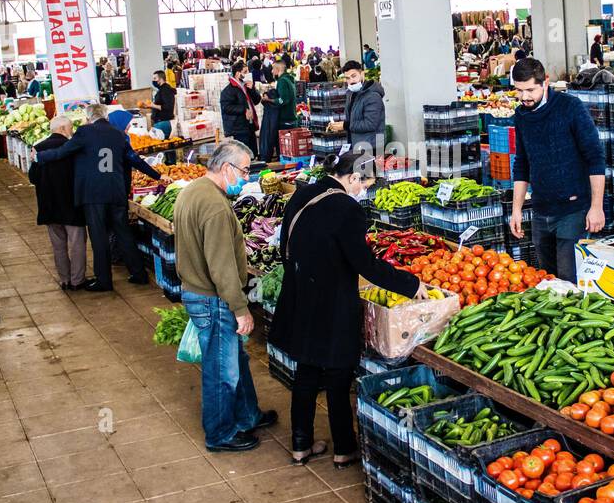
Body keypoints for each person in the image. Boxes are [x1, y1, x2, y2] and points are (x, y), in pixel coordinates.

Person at [270, 151, 424, 465]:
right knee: (339, 375)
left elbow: (284, 242)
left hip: (301, 294)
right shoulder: (347, 209)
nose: (362, 192)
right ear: (353, 177)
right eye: (363, 185)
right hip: (334, 301)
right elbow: (364, 264)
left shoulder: (303, 194)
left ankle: (301, 444)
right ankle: (343, 448)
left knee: (307, 371)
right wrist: (411, 285)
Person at [172, 139, 277, 453]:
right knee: (222, 370)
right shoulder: (216, 207)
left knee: (236, 360)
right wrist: (240, 308)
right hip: (212, 297)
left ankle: (247, 415)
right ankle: (219, 434)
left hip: (197, 290)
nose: (246, 177)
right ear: (227, 167)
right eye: (244, 171)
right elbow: (222, 267)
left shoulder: (192, 190)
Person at [34, 103, 161, 292]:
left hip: (93, 194)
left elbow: (63, 152)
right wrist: (157, 176)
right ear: (105, 117)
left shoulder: (84, 133)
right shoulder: (118, 134)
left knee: (99, 236)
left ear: (89, 117)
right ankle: (138, 274)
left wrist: (40, 157)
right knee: (123, 232)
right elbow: (134, 159)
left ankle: (104, 281)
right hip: (116, 191)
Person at [508, 57, 607, 281]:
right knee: (548, 279)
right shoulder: (521, 115)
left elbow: (595, 157)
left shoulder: (570, 108)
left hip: (573, 211)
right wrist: (517, 210)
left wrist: (596, 207)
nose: (525, 97)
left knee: (570, 279)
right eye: (519, 90)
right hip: (541, 211)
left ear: (546, 82)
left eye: (530, 90)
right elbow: (522, 163)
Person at [29, 116, 91, 291]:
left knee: (58, 246)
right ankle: (77, 280)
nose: (72, 131)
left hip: (49, 204)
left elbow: (33, 177)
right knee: (77, 243)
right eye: (71, 128)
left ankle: (64, 279)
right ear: (63, 128)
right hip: (71, 204)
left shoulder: (38, 148)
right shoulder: (72, 148)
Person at [330, 60, 385, 157]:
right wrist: (340, 125)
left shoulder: (373, 96)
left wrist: (345, 125)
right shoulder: (351, 94)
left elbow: (370, 124)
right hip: (357, 145)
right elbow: (354, 118)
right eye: (347, 78)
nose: (351, 81)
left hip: (371, 147)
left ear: (362, 74)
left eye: (354, 76)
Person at [259, 56, 297, 162]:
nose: (271, 71)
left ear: (278, 69)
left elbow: (283, 100)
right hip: (291, 118)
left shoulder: (282, 81)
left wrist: (269, 100)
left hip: (284, 120)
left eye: (273, 69)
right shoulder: (289, 80)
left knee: (283, 149)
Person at [220, 61, 261, 154]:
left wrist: (253, 89)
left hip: (249, 125)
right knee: (243, 153)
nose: (248, 74)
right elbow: (226, 107)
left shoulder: (246, 86)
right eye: (245, 72)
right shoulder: (228, 90)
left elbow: (257, 100)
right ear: (238, 73)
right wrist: (243, 110)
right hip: (239, 127)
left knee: (253, 152)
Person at [150, 70, 177, 137]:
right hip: (159, 121)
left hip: (164, 122)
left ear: (161, 79)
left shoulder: (166, 90)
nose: (153, 81)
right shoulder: (161, 90)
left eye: (155, 78)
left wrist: (153, 105)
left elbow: (167, 106)